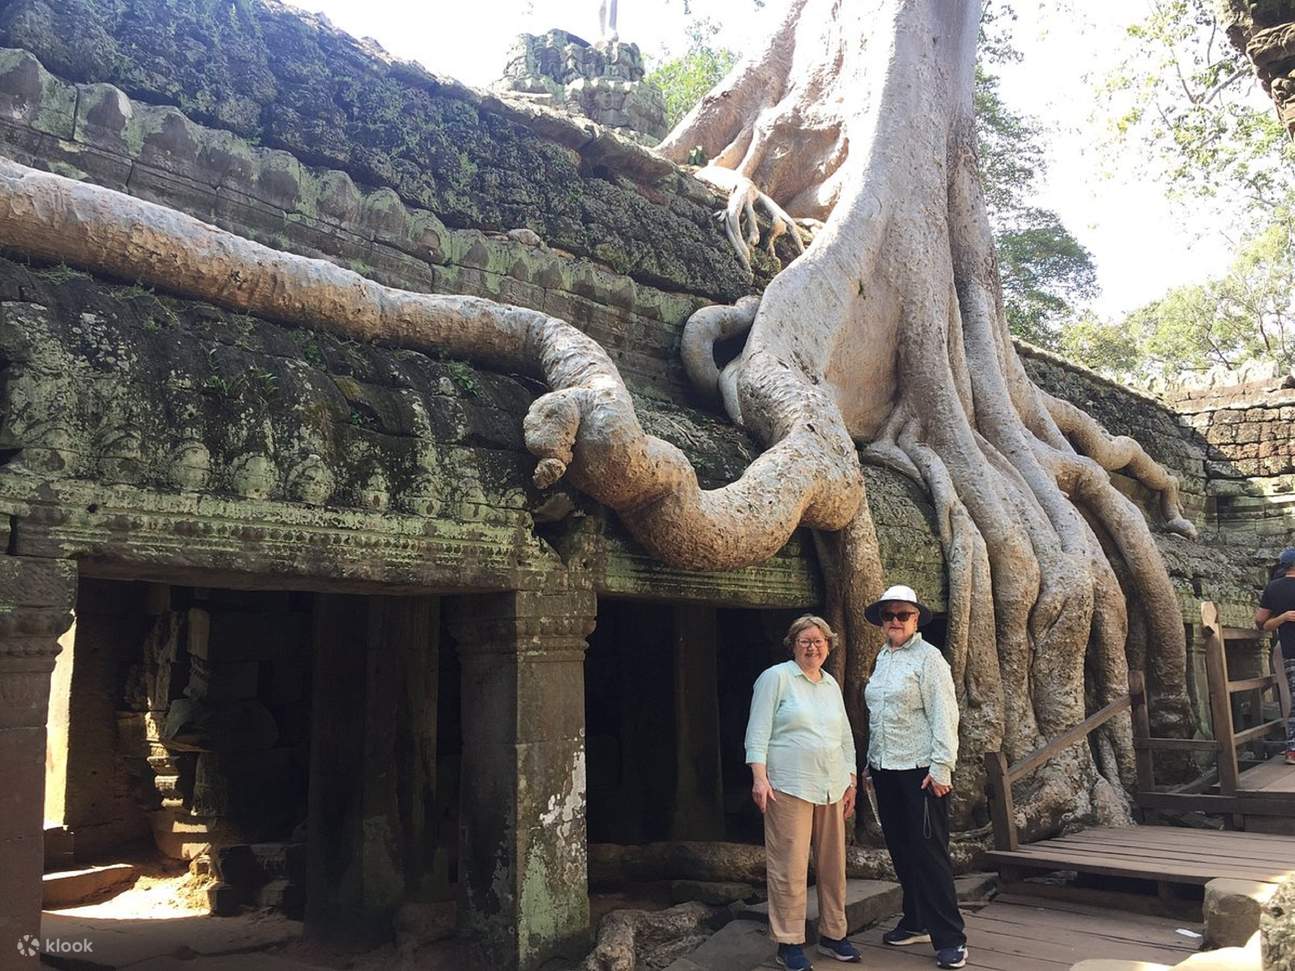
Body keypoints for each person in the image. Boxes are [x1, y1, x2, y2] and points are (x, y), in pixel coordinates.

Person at [745, 614, 861, 969]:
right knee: (789, 866)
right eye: (805, 641)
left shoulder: (830, 684)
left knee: (833, 866)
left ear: (829, 646)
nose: (813, 647)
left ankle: (833, 934)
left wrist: (851, 780)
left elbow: (844, 736)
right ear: (793, 645)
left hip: (832, 786)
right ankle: (789, 942)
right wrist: (759, 778)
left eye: (819, 641)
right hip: (789, 786)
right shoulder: (776, 678)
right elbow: (757, 732)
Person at [863, 584, 967, 970]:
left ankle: (950, 938)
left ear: (916, 619)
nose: (895, 621)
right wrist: (870, 763)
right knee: (901, 849)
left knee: (929, 854)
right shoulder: (882, 657)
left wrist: (942, 768)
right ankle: (916, 920)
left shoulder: (930, 659)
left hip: (921, 772)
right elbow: (880, 716)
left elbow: (945, 715)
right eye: (888, 615)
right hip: (886, 769)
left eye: (902, 615)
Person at [1256, 547, 1295, 764]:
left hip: (1290, 651)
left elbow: (1260, 622)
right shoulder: (1276, 588)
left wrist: (1281, 618)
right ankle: (1293, 749)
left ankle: (1292, 749)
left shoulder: (1273, 588)